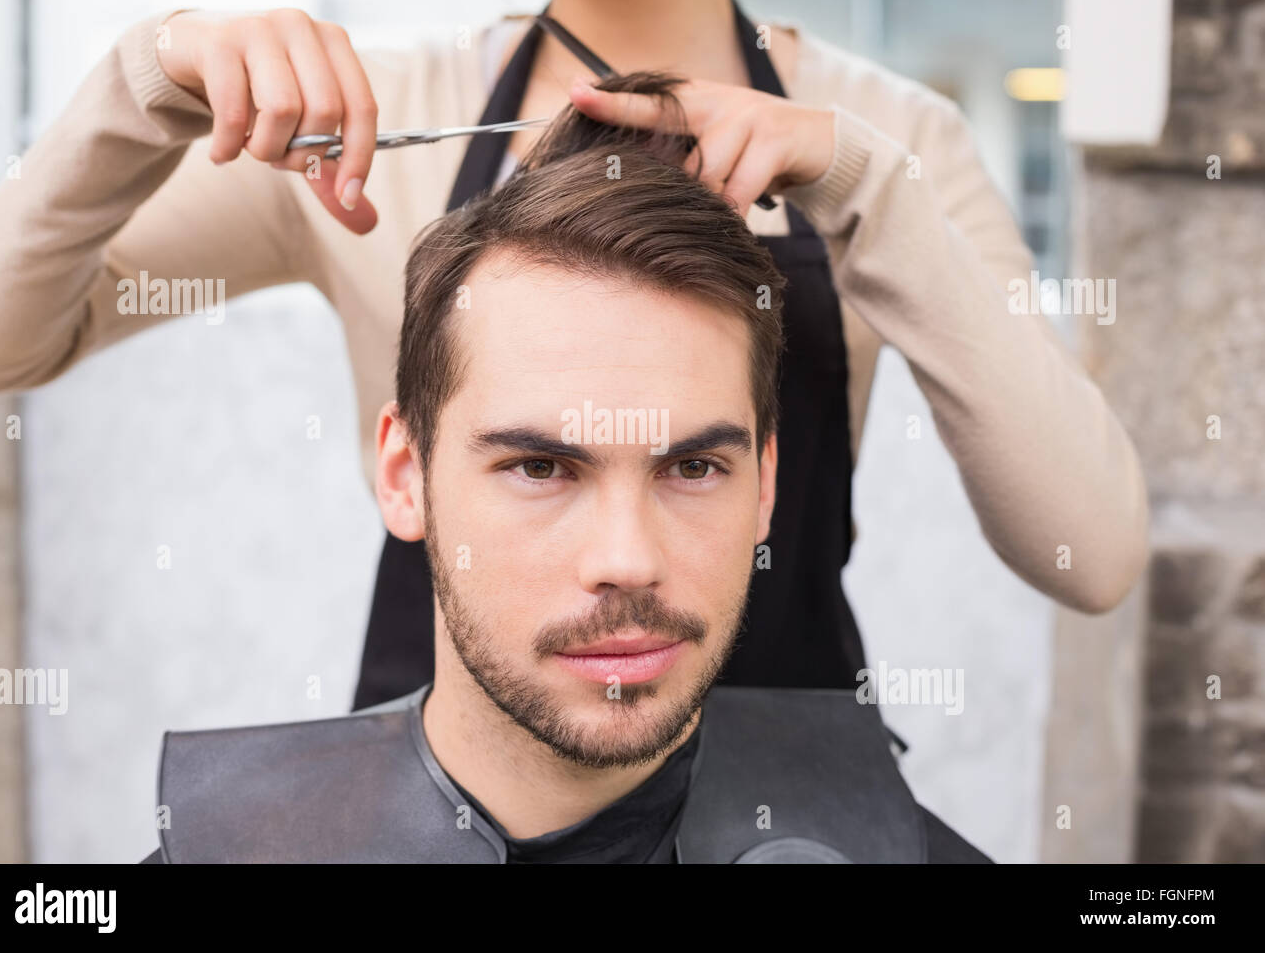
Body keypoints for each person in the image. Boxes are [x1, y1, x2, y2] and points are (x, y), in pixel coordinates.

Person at [0, 0, 1149, 711]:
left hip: (792, 802)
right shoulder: (375, 113)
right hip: (435, 796)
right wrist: (145, 81)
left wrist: (864, 191)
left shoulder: (892, 143)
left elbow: (1089, 550)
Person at [142, 91, 990, 862]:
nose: (626, 560)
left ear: (764, 487)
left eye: (694, 467)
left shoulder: (891, 846)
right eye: (541, 467)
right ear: (406, 477)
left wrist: (871, 170)